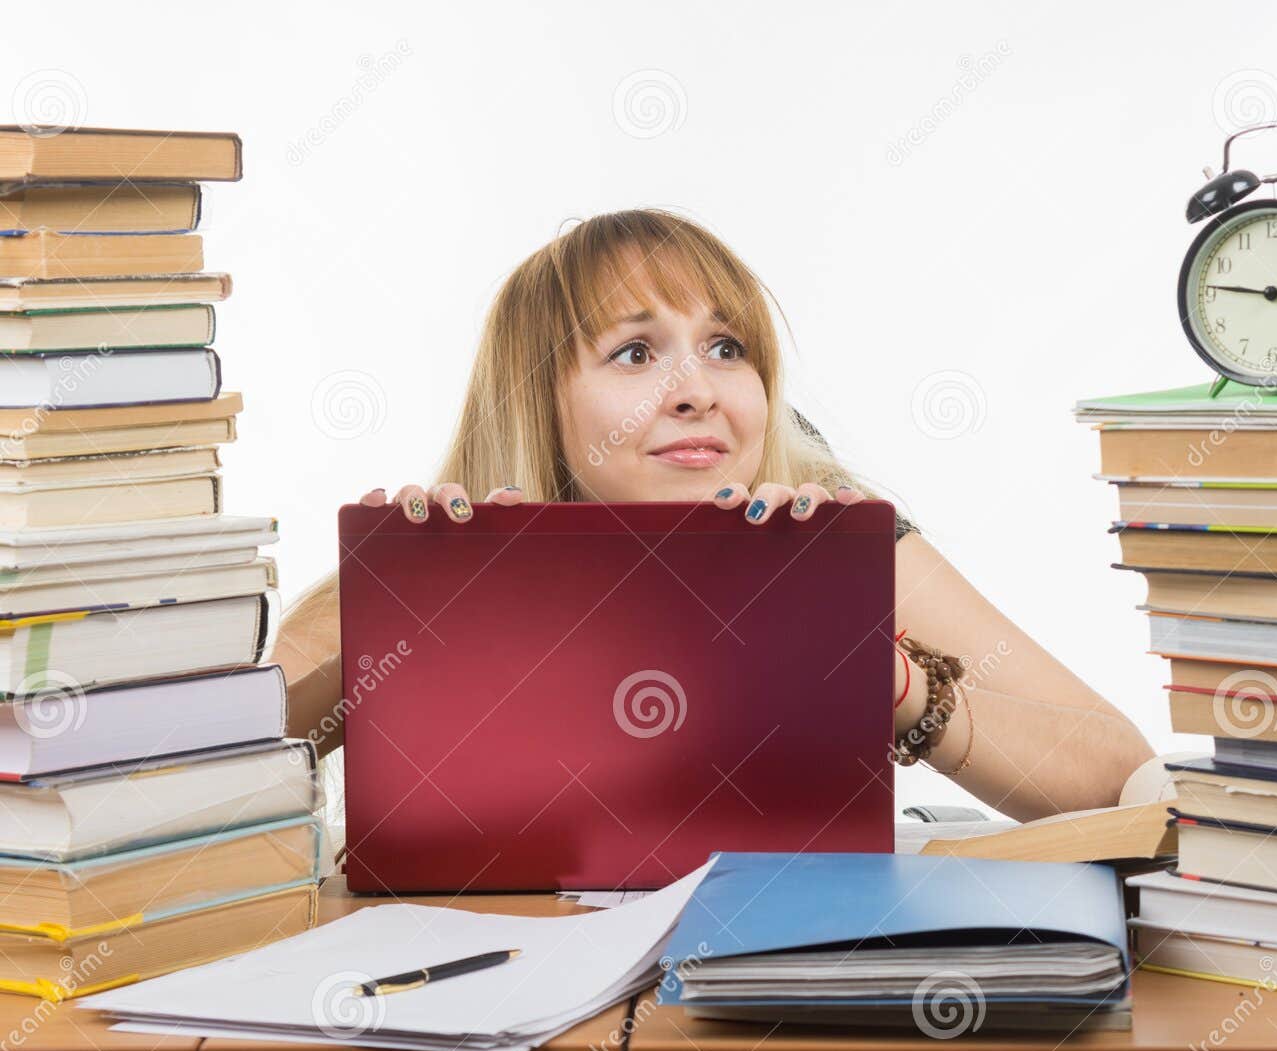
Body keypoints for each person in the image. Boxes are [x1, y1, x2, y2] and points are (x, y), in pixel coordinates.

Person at [276, 209, 1152, 821]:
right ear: (537, 400)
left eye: (726, 347)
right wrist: (404, 619)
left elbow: (1121, 775)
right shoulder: (433, 557)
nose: (696, 389)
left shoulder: (836, 540)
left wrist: (895, 684)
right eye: (635, 351)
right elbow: (209, 787)